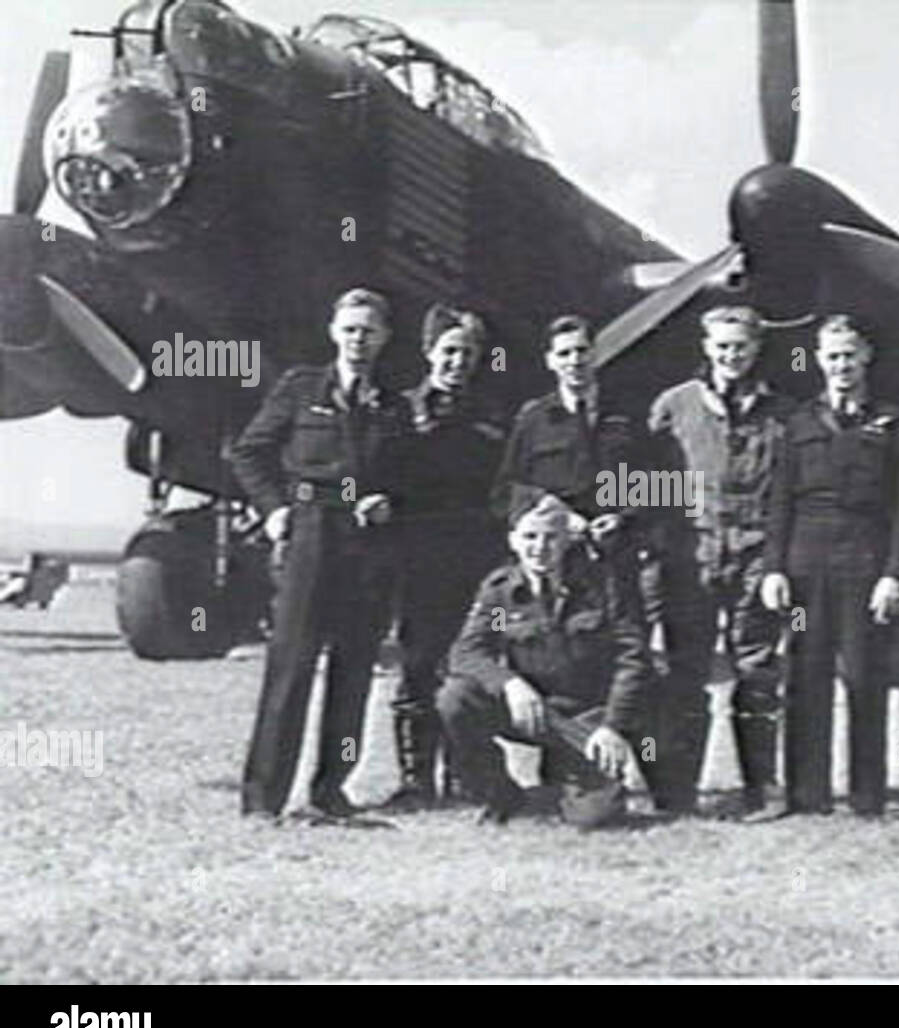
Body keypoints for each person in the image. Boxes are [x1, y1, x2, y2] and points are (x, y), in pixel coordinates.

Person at [230, 287, 406, 820]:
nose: (359, 339)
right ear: (334, 332)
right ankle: (264, 799)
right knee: (291, 666)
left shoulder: (394, 404)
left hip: (367, 542)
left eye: (369, 330)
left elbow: (411, 474)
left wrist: (390, 501)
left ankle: (332, 790)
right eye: (350, 328)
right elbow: (249, 451)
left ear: (384, 338)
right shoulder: (300, 386)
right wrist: (273, 509)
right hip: (311, 531)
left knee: (354, 669)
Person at [760, 315, 899, 818]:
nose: (842, 365)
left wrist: (895, 573)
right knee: (805, 674)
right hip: (805, 564)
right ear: (817, 360)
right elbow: (779, 500)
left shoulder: (893, 421)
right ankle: (806, 794)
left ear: (866, 356)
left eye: (850, 354)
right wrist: (773, 569)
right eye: (832, 356)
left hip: (864, 561)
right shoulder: (799, 422)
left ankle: (867, 795)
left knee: (866, 676)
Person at [648, 305, 795, 817]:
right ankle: (678, 790)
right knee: (685, 672)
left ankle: (761, 789)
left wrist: (776, 561)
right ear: (706, 347)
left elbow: (785, 493)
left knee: (756, 669)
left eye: (742, 345)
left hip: (754, 551)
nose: (732, 354)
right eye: (723, 345)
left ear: (756, 349)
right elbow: (652, 483)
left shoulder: (782, 414)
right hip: (692, 552)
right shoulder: (674, 406)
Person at [437, 486, 654, 828]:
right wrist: (510, 683)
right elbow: (467, 652)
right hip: (530, 709)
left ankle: (572, 779)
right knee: (456, 698)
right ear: (513, 541)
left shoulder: (602, 586)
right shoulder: (501, 593)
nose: (540, 548)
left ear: (567, 540)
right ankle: (500, 793)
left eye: (551, 537)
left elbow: (633, 659)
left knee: (595, 818)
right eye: (530, 537)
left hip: (587, 715)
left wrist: (613, 726)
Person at [382, 304, 507, 812]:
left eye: (468, 352)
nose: (458, 361)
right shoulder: (399, 411)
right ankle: (416, 782)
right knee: (416, 666)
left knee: (470, 667)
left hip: (477, 557)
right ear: (429, 352)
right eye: (449, 350)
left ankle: (466, 777)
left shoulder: (496, 415)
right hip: (418, 556)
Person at [489, 314, 648, 587]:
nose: (574, 361)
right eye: (564, 353)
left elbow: (658, 478)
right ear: (550, 361)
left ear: (596, 353)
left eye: (581, 351)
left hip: (619, 552)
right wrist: (556, 514)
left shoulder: (630, 411)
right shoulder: (533, 419)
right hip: (554, 558)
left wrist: (624, 518)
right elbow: (507, 490)